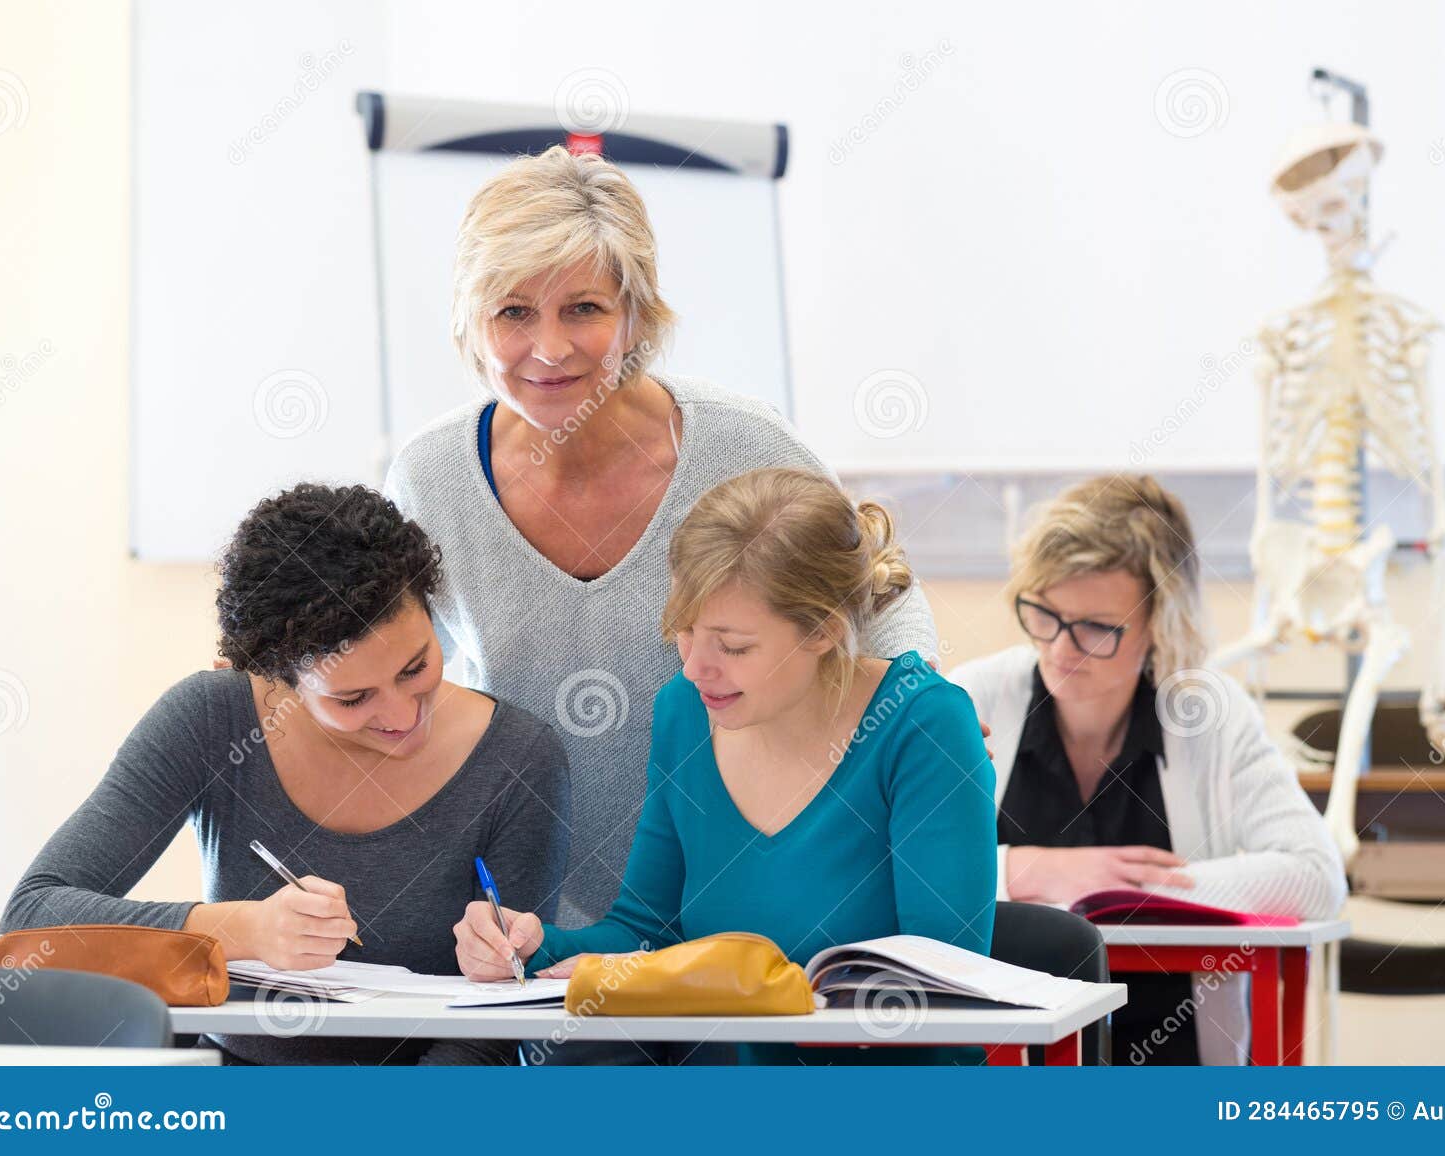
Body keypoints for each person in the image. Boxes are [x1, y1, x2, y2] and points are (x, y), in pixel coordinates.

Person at [383, 145, 938, 953]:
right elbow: (393, 665)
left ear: (637, 316)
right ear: (472, 324)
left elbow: (879, 594)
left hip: (748, 901)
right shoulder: (430, 478)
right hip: (534, 924)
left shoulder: (743, 445)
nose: (549, 348)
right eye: (512, 313)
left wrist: (916, 708)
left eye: (583, 309)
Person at [0, 483, 570, 1064]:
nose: (401, 715)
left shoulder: (519, 759)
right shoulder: (211, 718)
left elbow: (496, 1028)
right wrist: (244, 929)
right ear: (278, 679)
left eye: (415, 667)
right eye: (353, 698)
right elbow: (29, 925)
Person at [450, 468, 996, 1065]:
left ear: (823, 631)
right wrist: (529, 945)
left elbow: (941, 991)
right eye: (684, 632)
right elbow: (645, 930)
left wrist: (671, 976)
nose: (693, 668)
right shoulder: (685, 710)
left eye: (733, 647)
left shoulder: (924, 724)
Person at [947, 474, 1346, 1066]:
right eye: (1046, 614)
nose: (1060, 648)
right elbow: (886, 876)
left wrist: (1132, 893)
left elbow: (1317, 877)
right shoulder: (976, 697)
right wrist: (1028, 869)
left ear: (1160, 625)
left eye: (1096, 628)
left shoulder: (1210, 714)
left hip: (1177, 1066)